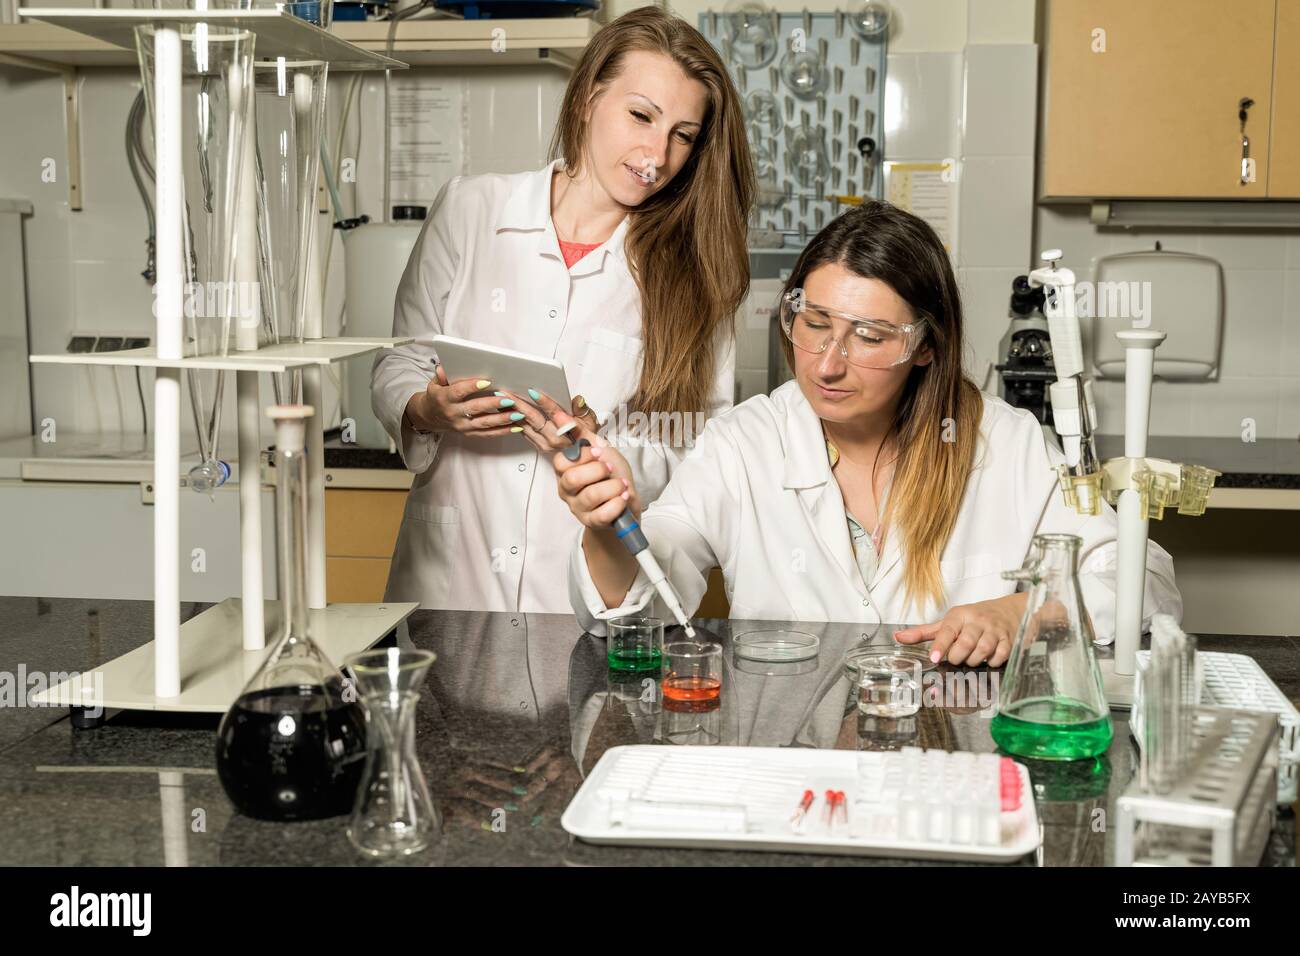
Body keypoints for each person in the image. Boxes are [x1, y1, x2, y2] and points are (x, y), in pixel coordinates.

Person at [537, 200, 1181, 666]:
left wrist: (1026, 613)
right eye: (814, 322)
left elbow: (1140, 578)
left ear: (927, 346)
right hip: (792, 771)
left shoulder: (1005, 444)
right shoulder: (745, 444)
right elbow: (633, 610)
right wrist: (608, 527)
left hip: (949, 764)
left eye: (869, 337)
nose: (827, 361)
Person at [370, 6, 754, 612]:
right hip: (446, 584)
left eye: (682, 135)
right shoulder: (471, 210)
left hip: (576, 597)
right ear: (587, 98)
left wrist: (614, 454)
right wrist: (428, 408)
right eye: (640, 115)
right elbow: (402, 362)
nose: (657, 153)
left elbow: (697, 444)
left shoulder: (695, 275)